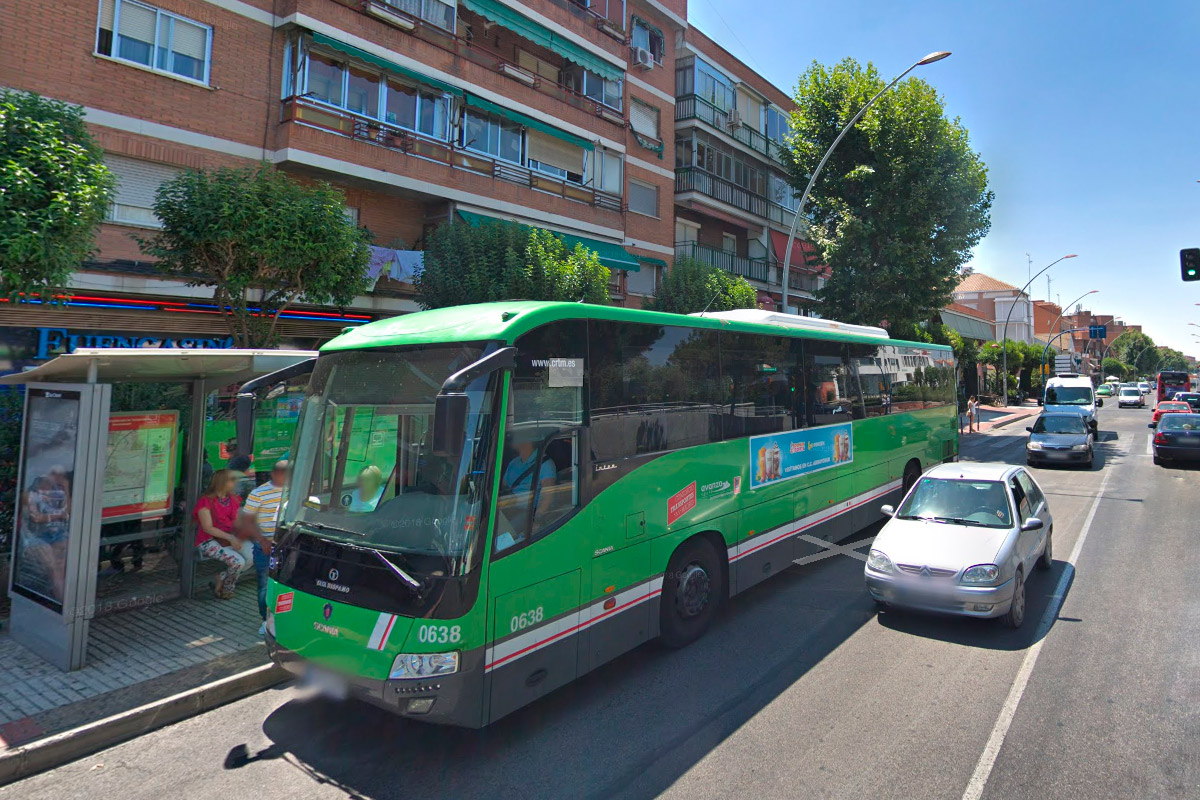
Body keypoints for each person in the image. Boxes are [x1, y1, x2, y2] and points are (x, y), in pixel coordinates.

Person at [240, 460, 288, 635]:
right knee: (264, 584)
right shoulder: (259, 493)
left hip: (288, 546)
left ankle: (282, 619)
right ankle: (265, 620)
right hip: (265, 547)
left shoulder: (294, 491)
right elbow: (247, 520)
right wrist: (262, 540)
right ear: (274, 474)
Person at [495, 433, 556, 553]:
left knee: (504, 534)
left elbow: (547, 496)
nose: (510, 439)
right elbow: (503, 487)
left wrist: (536, 519)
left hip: (528, 512)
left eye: (515, 436)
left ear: (527, 442)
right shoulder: (514, 462)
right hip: (509, 506)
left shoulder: (545, 464)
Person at [193, 469, 246, 599]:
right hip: (208, 540)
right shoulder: (205, 501)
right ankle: (227, 589)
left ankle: (221, 577)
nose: (235, 482)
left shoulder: (232, 499)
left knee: (250, 557)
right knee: (238, 562)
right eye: (231, 479)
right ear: (222, 482)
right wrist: (231, 537)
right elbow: (207, 528)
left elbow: (236, 520)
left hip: (227, 537)